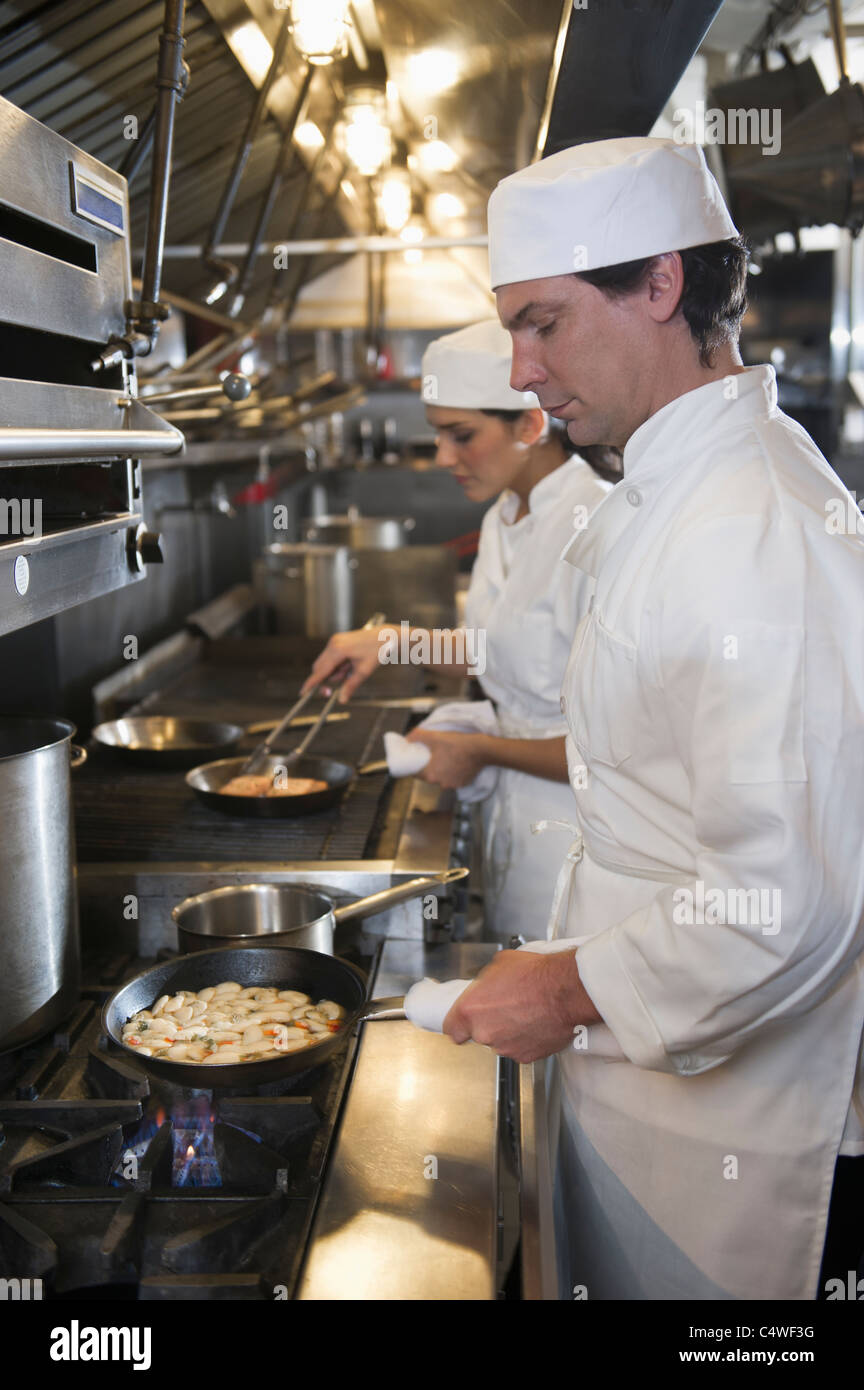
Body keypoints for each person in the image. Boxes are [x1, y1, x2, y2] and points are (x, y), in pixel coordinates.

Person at [439, 137, 864, 1299]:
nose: (520, 370)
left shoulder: (755, 525)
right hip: (644, 1095)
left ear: (663, 286)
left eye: (545, 324)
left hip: (730, 1150)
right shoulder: (667, 487)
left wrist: (567, 987)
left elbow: (784, 902)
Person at [302, 319, 610, 941]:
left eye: (461, 435)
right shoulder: (506, 512)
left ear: (530, 424)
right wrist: (392, 642)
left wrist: (480, 749)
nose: (443, 457)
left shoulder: (597, 528)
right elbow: (502, 650)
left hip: (583, 836)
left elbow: (617, 753)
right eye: (438, 436)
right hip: (515, 820)